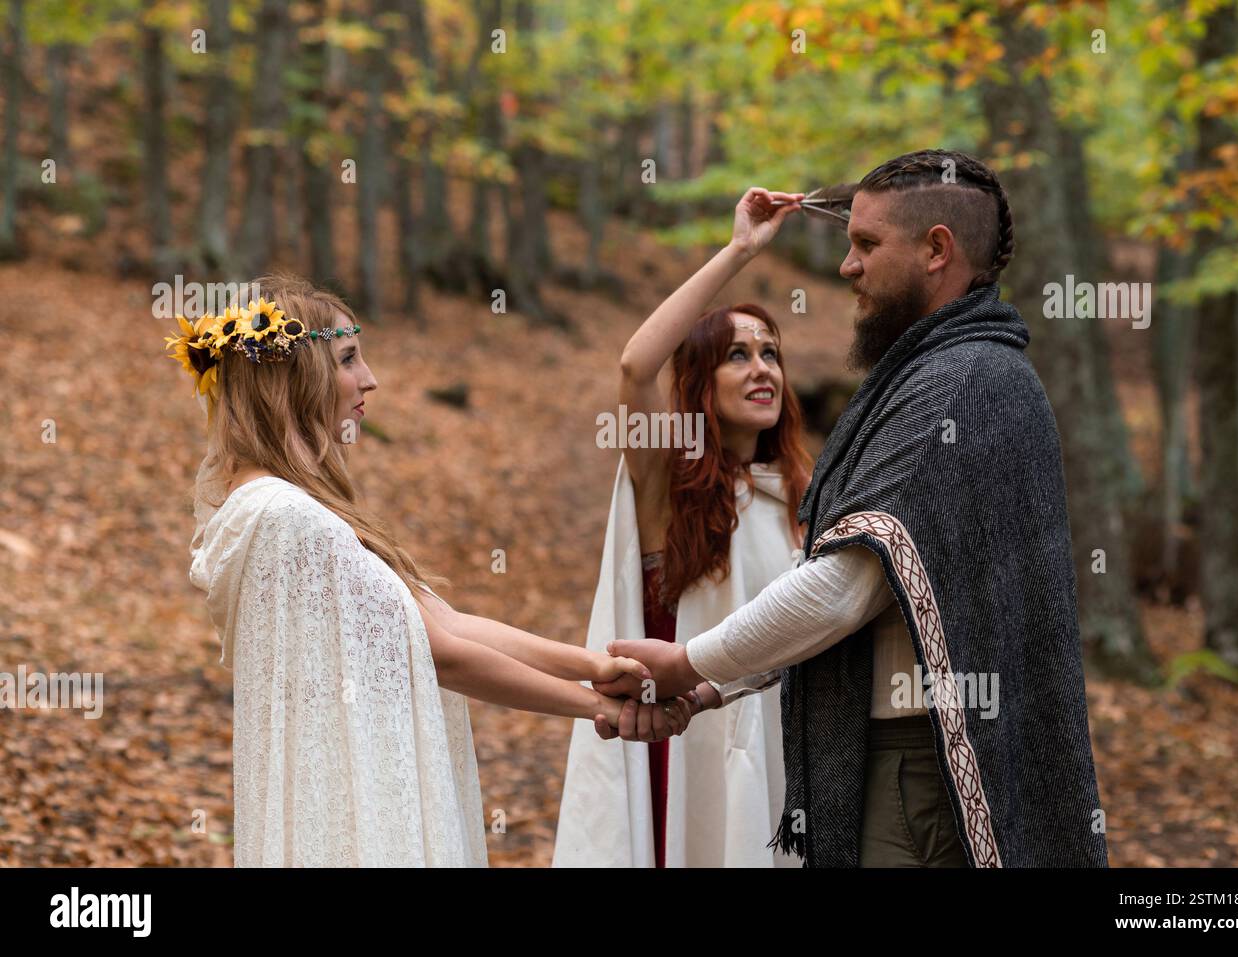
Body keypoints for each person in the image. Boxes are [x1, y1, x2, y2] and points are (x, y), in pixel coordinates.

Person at [605, 150, 1110, 868]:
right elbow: (634, 369)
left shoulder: (957, 385)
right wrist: (714, 684)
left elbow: (844, 592)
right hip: (872, 751)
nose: (846, 266)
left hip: (919, 769)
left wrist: (689, 664)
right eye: (736, 355)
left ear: (937, 250)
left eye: (867, 244)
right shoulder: (957, 373)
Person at [172, 274, 667, 867]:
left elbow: (447, 624)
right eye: (349, 359)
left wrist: (596, 667)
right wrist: (600, 709)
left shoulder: (287, 511)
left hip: (365, 785)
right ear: (293, 377)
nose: (370, 378)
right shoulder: (287, 518)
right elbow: (443, 654)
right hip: (352, 810)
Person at [554, 188, 814, 868]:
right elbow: (636, 365)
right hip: (686, 736)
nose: (761, 367)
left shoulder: (801, 493)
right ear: (702, 378)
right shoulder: (668, 481)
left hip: (787, 742)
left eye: (770, 353)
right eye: (737, 355)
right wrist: (738, 251)